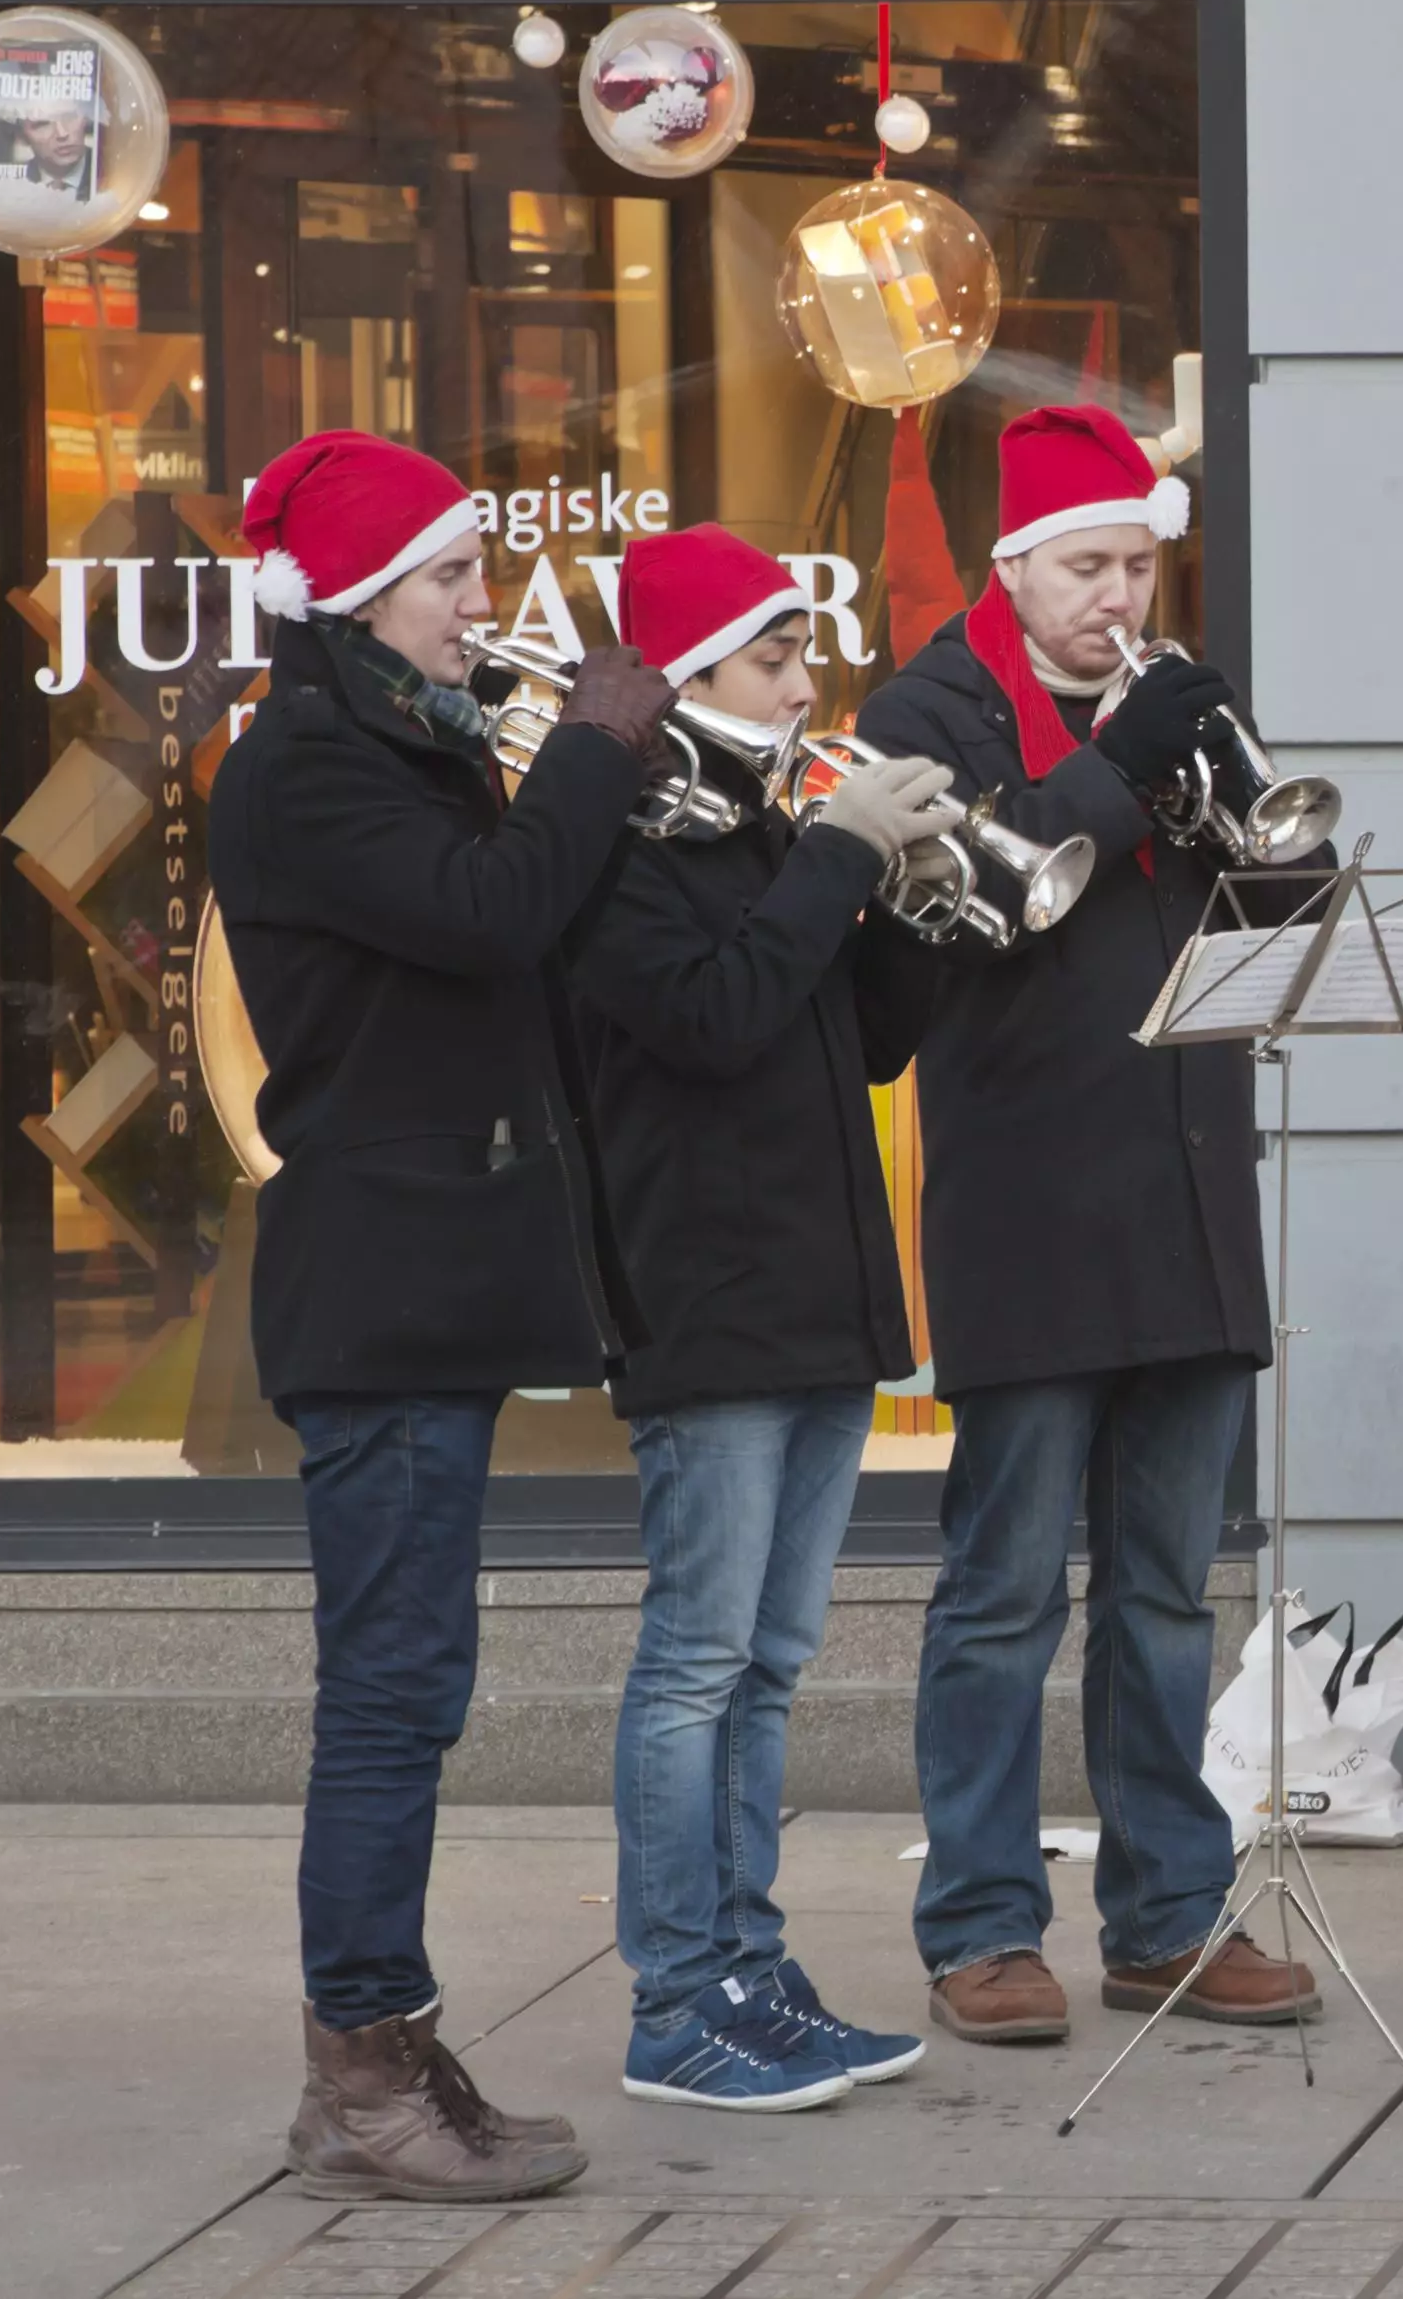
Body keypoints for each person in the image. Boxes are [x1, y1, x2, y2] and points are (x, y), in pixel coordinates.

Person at [208, 430, 677, 2199]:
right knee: (391, 1689)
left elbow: (528, 934)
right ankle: (359, 2063)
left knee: (419, 1679)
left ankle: (390, 2042)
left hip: (434, 1284)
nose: (486, 602)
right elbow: (493, 915)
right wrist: (595, 755)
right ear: (353, 597)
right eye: (450, 575)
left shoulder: (399, 741)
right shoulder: (308, 768)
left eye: (477, 569)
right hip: (383, 1288)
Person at [847, 404, 1332, 2045]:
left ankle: (1170, 1915)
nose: (1122, 593)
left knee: (1169, 1589)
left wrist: (1270, 837)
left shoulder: (1168, 704)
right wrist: (1128, 767)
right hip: (1031, 1201)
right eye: (1090, 563)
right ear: (1017, 563)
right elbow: (987, 911)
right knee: (1002, 1586)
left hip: (1191, 1199)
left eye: (1140, 560)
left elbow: (1279, 913)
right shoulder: (930, 705)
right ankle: (983, 1923)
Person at [567, 527, 963, 2112]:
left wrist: (921, 907)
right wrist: (839, 859)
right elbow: (717, 1019)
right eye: (775, 660)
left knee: (772, 1661)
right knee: (697, 1659)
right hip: (708, 1301)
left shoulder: (762, 829)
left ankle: (751, 1962)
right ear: (688, 677)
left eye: (806, 656)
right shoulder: (620, 846)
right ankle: (677, 1995)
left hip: (817, 1296)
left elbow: (857, 1043)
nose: (810, 687)